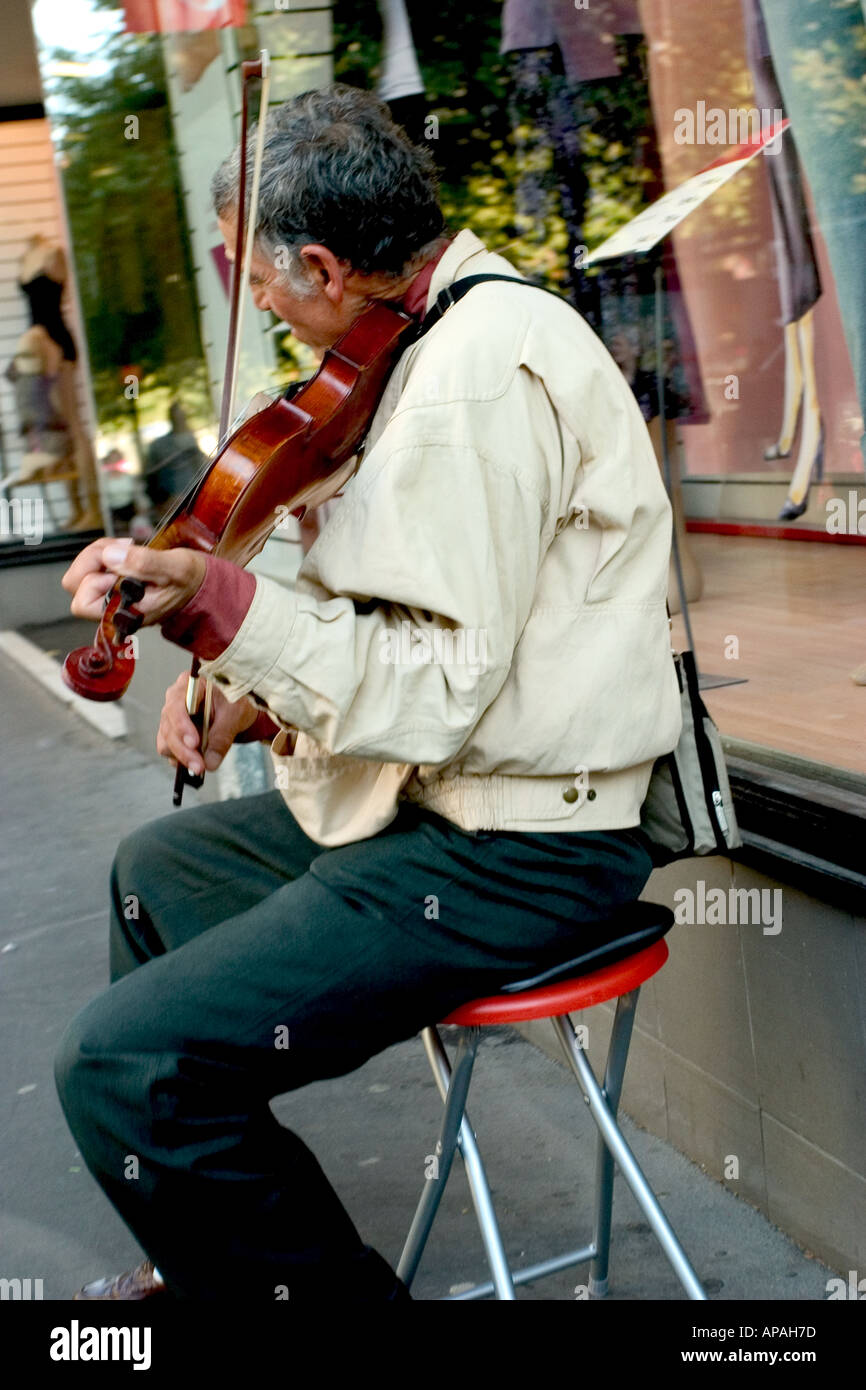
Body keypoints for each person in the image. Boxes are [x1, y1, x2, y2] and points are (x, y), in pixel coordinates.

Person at [56, 84, 681, 1302]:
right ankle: (209, 1245)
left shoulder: (472, 377)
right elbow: (411, 622)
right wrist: (251, 694)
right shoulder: (409, 349)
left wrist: (223, 609)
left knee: (119, 1065)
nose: (261, 305)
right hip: (442, 796)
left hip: (518, 846)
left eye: (260, 275)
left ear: (328, 265)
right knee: (154, 874)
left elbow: (440, 687)